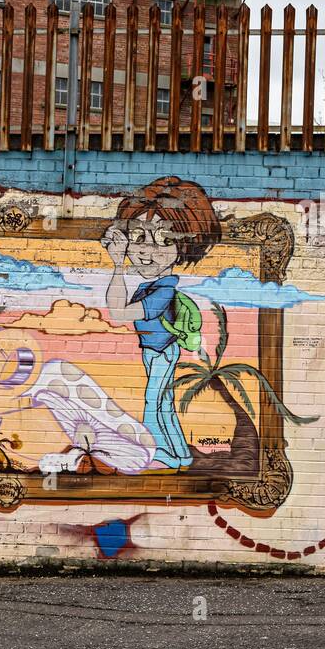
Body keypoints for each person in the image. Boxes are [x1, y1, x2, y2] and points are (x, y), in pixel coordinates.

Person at [103, 177, 221, 470]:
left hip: (162, 353)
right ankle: (180, 454)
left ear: (185, 246)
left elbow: (118, 313)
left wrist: (118, 265)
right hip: (154, 351)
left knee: (152, 403)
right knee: (164, 404)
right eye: (139, 238)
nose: (148, 251)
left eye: (165, 240)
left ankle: (159, 454)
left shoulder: (163, 292)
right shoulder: (155, 286)